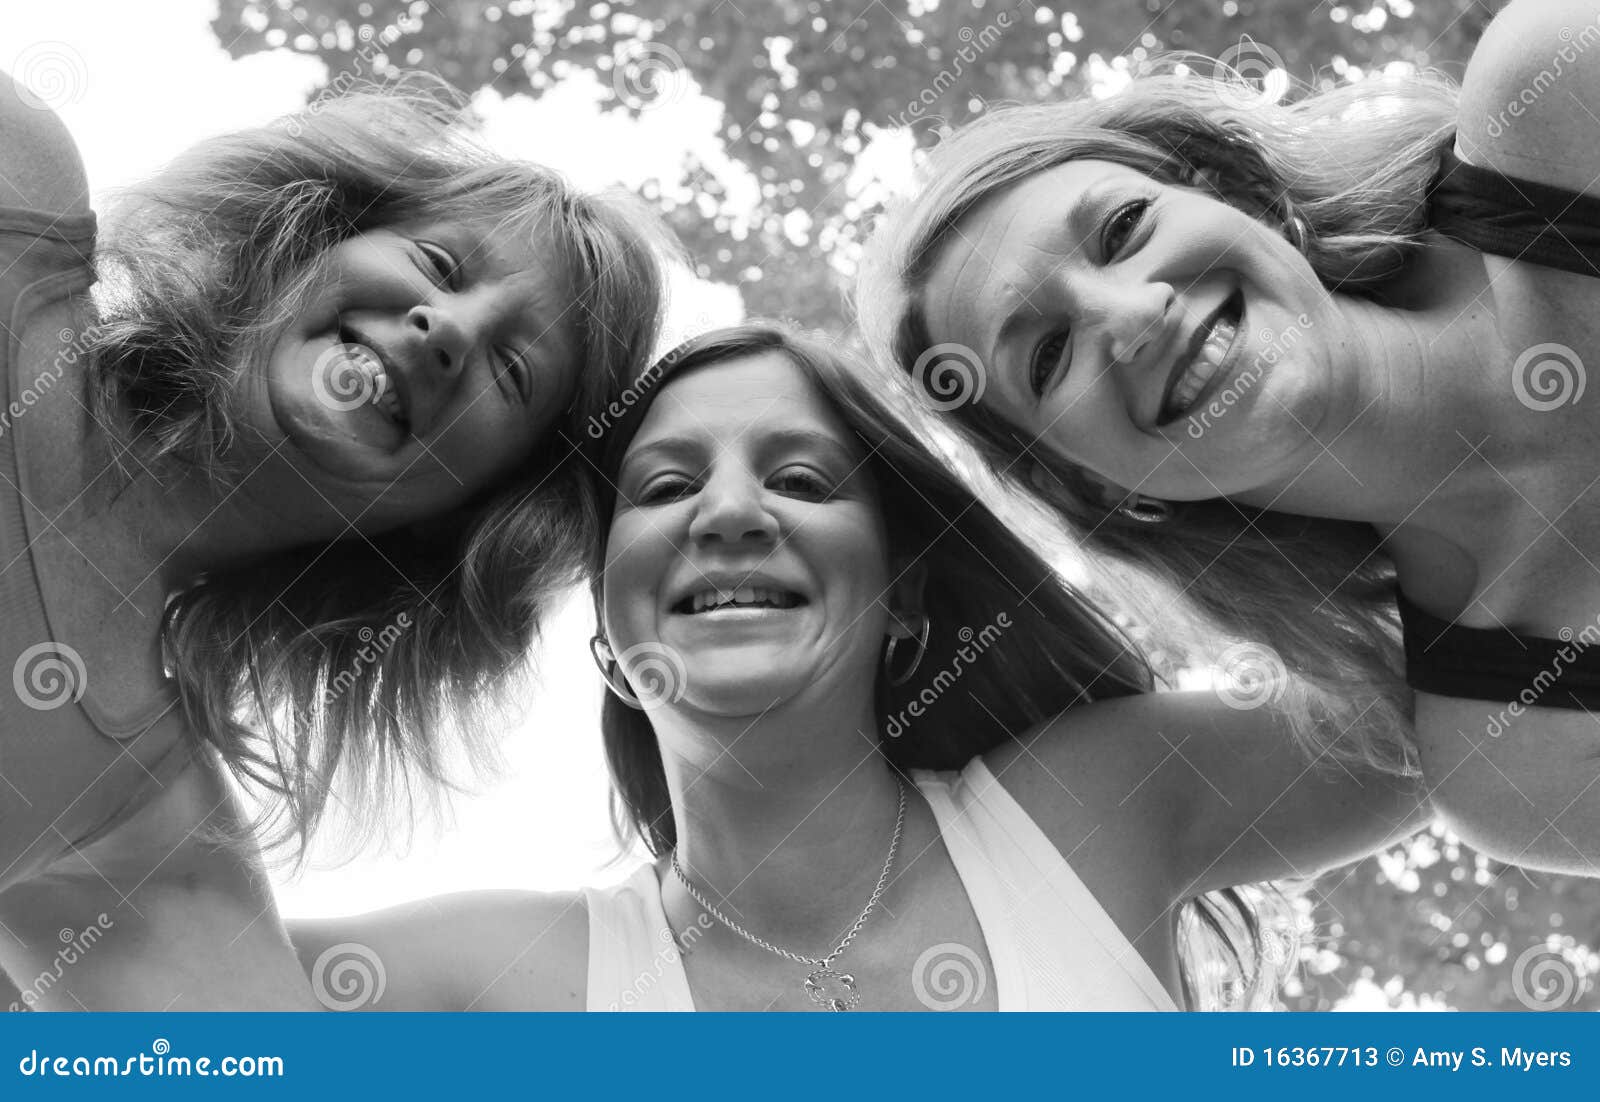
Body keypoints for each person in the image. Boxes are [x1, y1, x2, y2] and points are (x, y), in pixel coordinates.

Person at [288, 323, 1427, 1011]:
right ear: (613, 652)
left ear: (904, 605)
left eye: (801, 479)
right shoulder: (510, 984)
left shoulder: (1095, 807)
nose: (730, 512)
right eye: (667, 487)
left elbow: (1456, 695)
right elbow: (178, 962)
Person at [857, 0, 1600, 878]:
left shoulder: (1559, 93)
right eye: (1049, 356)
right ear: (1094, 485)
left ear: (1241, 194)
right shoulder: (1518, 757)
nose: (1135, 317)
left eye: (1123, 230)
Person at [0, 73, 667, 1009]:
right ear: (310, 236)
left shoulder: (140, 826)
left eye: (514, 371)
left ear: (472, 515)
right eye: (438, 262)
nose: (447, 328)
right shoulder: (19, 197)